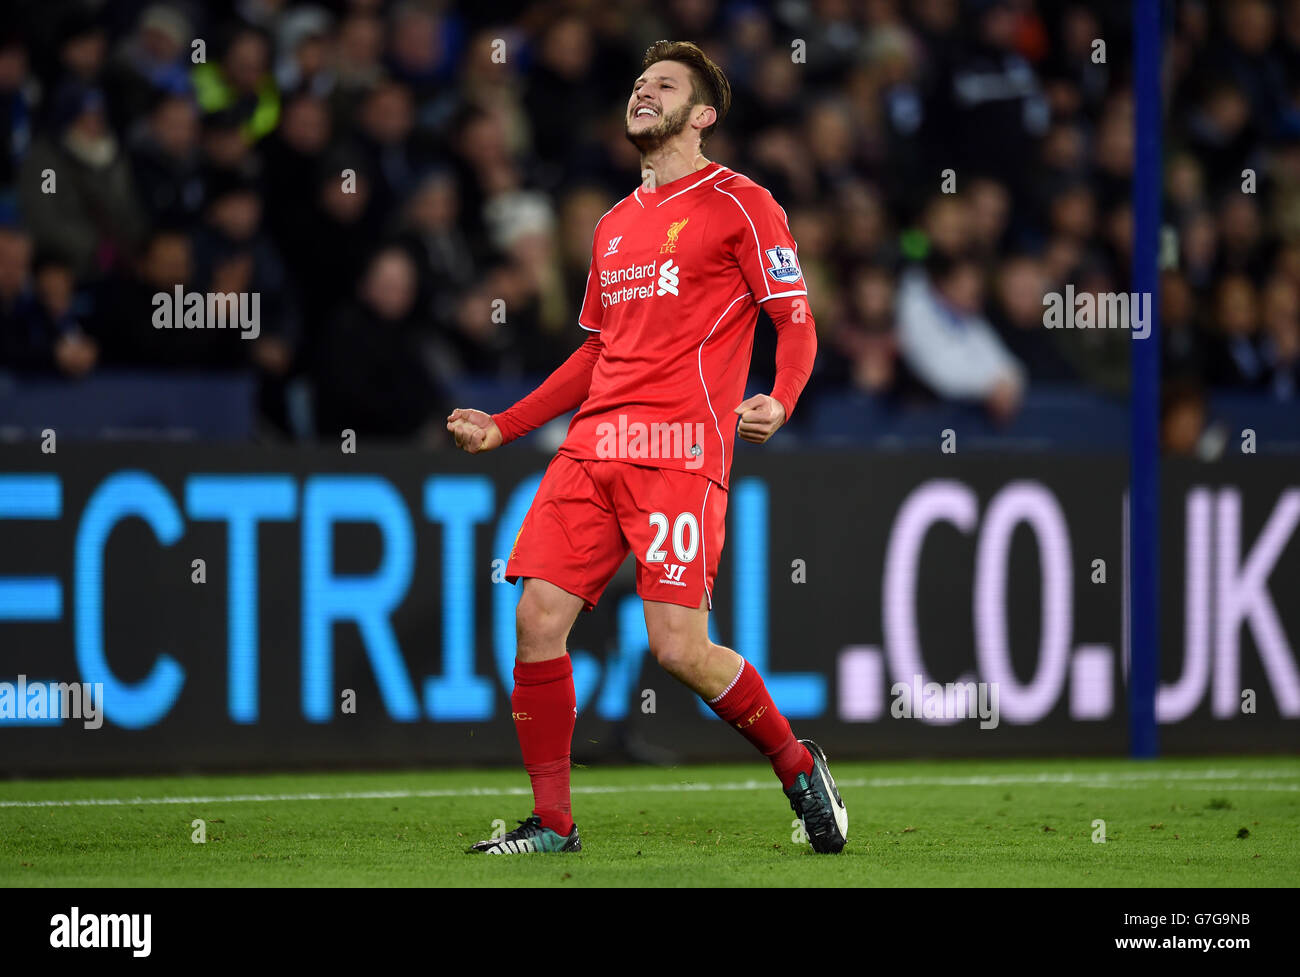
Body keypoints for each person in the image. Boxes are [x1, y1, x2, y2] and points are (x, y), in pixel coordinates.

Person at [447, 40, 846, 855]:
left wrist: (782, 395)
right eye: (637, 83)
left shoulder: (742, 202)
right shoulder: (612, 225)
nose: (643, 93)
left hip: (678, 452)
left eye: (663, 85)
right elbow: (595, 354)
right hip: (592, 449)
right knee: (536, 618)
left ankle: (797, 762)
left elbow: (794, 319)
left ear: (702, 116)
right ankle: (554, 822)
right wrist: (506, 425)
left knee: (678, 649)